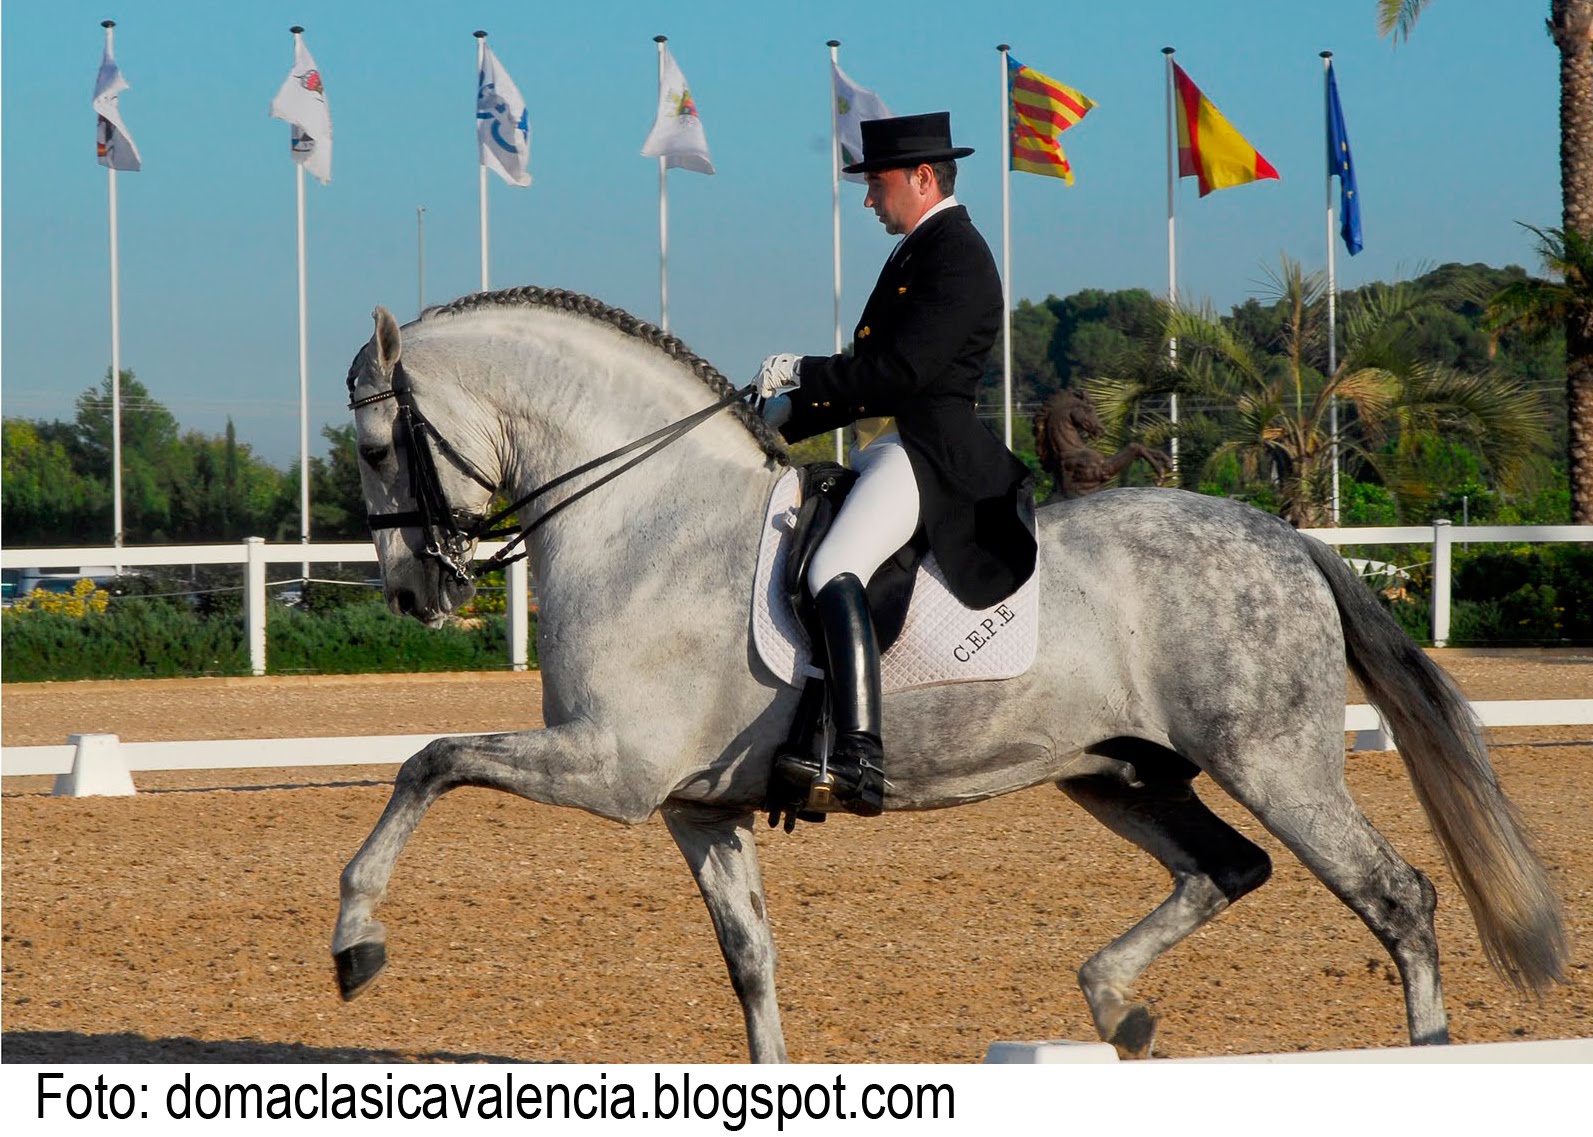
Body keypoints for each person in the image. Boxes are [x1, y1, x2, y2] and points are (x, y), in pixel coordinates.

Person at [756, 111, 1037, 817]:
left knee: (831, 568)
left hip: (933, 451)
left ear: (920, 177)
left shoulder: (956, 254)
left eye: (875, 184)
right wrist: (792, 412)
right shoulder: (921, 247)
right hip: (902, 439)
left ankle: (856, 753)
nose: (867, 199)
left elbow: (900, 372)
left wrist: (804, 374)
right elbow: (877, 374)